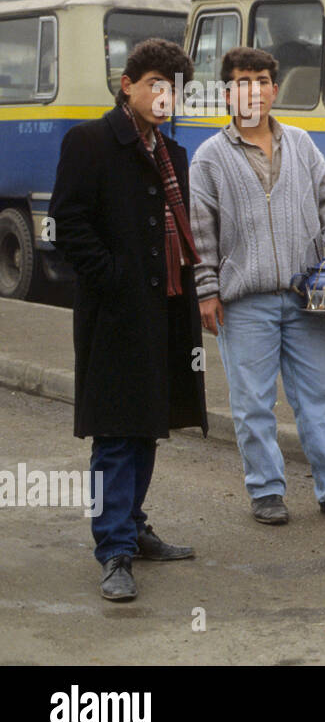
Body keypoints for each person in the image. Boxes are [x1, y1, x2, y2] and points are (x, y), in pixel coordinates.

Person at [189, 47, 325, 525]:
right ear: (227, 91)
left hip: (305, 296)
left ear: (274, 89)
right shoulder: (210, 157)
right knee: (253, 401)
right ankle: (266, 492)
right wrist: (206, 291)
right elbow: (200, 233)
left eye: (260, 80)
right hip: (245, 301)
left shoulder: (301, 143)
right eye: (240, 81)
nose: (252, 89)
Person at [50, 38, 208, 601]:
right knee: (115, 434)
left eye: (176, 91)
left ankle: (134, 526)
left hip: (165, 308)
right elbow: (67, 225)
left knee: (148, 426)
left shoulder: (175, 155)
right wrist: (114, 275)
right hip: (116, 312)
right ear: (129, 85)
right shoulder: (90, 142)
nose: (166, 99)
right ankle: (112, 550)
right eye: (156, 87)